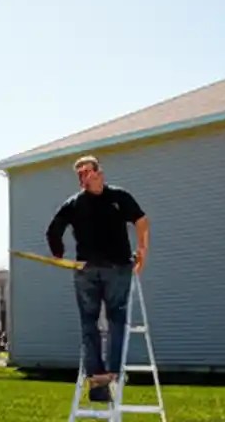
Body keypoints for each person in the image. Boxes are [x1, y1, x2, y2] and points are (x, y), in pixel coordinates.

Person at [45, 154, 149, 403]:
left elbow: (141, 220)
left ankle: (114, 371)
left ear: (99, 173)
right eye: (79, 174)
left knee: (116, 318)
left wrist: (142, 250)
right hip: (87, 271)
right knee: (88, 323)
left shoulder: (118, 197)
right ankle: (98, 379)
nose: (83, 177)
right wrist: (59, 255)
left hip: (118, 268)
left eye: (87, 172)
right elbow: (53, 231)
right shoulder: (74, 203)